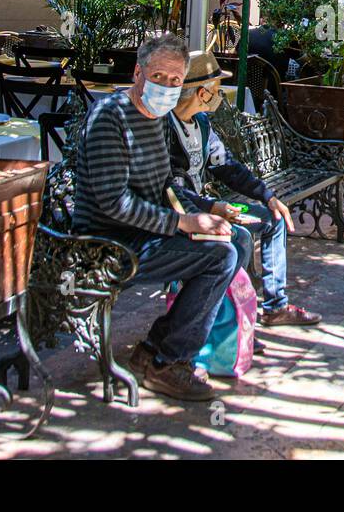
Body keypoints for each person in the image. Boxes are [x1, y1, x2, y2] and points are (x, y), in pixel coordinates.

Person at [71, 34, 240, 402]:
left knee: (235, 239)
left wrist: (206, 210)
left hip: (144, 233)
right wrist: (184, 224)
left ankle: (155, 349)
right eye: (158, 76)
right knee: (220, 257)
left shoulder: (159, 119)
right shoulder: (109, 117)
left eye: (175, 80)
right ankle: (168, 362)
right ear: (138, 73)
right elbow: (114, 203)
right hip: (107, 242)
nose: (166, 85)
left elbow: (167, 185)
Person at [166, 51, 323, 327]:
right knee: (238, 238)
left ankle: (275, 306)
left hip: (208, 207)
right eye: (215, 87)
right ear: (201, 93)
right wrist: (212, 209)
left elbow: (227, 166)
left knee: (273, 219)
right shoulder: (165, 128)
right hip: (183, 216)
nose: (219, 93)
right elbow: (170, 190)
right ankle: (230, 321)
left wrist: (268, 195)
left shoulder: (202, 124)